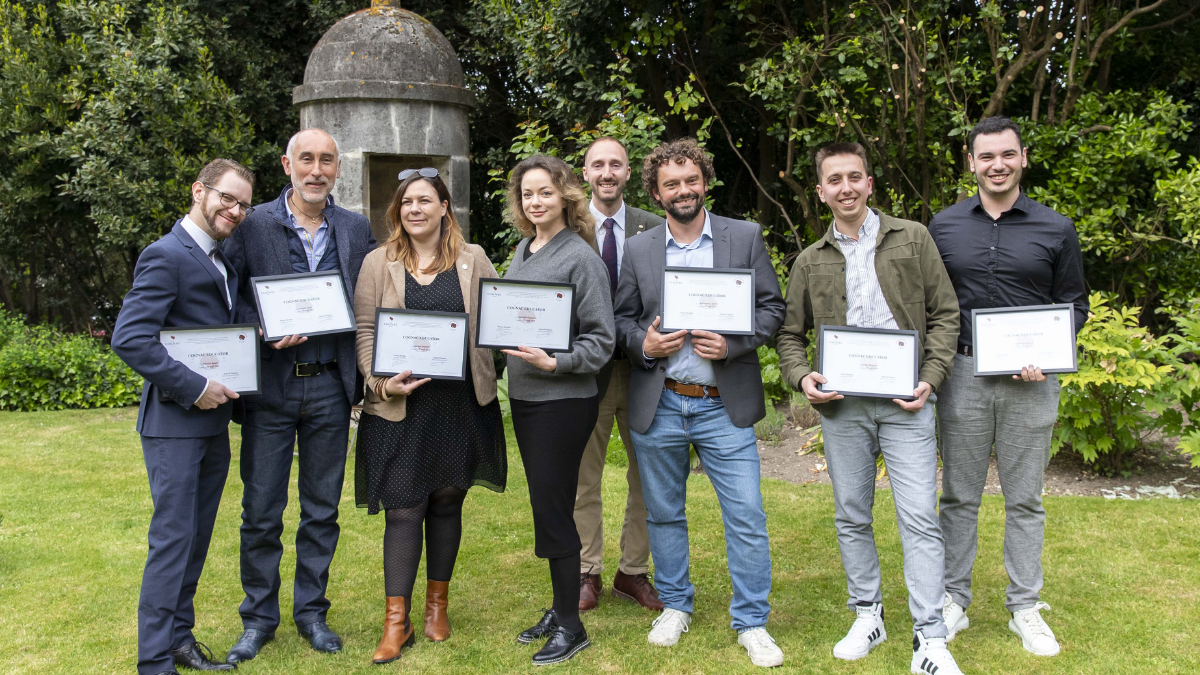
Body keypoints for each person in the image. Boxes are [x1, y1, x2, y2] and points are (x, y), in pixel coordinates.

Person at [775, 142, 964, 675]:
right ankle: (868, 614)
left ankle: (929, 637)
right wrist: (802, 376)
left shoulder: (914, 238)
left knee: (919, 516)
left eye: (854, 177)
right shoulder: (810, 260)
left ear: (870, 183)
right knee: (852, 513)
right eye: (834, 180)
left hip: (907, 402)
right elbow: (789, 335)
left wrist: (930, 378)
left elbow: (945, 314)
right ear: (820, 191)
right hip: (844, 408)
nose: (846, 188)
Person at [613, 138, 786, 668]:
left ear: (705, 181)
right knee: (664, 514)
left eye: (691, 180)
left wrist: (733, 344)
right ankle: (676, 605)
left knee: (747, 514)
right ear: (656, 192)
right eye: (671, 184)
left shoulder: (744, 236)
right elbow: (621, 319)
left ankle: (752, 620)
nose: (683, 190)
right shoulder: (639, 249)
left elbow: (771, 307)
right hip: (661, 400)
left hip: (722, 402)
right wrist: (645, 343)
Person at [929, 116, 1088, 657]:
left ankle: (1024, 606)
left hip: (1032, 382)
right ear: (971, 163)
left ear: (1022, 159)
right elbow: (930, 302)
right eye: (986, 156)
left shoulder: (1056, 228)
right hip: (962, 376)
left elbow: (1074, 305)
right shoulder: (943, 226)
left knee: (1025, 499)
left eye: (1007, 155)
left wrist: (1049, 354)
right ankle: (953, 598)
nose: (997, 165)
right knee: (959, 496)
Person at [220, 129, 376, 663]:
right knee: (261, 511)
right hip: (271, 389)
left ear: (338, 168)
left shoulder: (355, 228)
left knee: (322, 510)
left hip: (331, 388)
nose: (316, 169)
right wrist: (261, 327)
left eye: (326, 160)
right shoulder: (253, 223)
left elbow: (371, 295)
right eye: (306, 159)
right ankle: (258, 619)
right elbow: (227, 293)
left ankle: (311, 613)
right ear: (287, 165)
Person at [352, 168, 507, 663]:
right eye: (406, 202)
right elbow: (365, 331)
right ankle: (395, 622)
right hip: (401, 407)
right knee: (402, 507)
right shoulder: (378, 262)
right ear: (397, 211)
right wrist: (381, 383)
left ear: (444, 207)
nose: (414, 209)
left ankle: (437, 606)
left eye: (424, 200)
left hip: (459, 405)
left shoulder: (473, 258)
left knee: (446, 501)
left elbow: (499, 317)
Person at [112, 158, 256, 675]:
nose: (234, 210)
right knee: (172, 541)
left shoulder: (221, 259)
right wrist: (195, 387)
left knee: (194, 540)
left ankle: (178, 640)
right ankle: (154, 662)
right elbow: (130, 338)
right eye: (227, 198)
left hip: (212, 426)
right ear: (200, 191)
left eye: (243, 204)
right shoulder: (166, 254)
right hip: (174, 425)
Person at [503, 154, 615, 665]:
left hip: (563, 402)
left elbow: (601, 340)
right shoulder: (524, 249)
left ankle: (572, 627)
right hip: (527, 400)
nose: (535, 202)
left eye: (545, 192)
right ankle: (560, 606)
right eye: (527, 194)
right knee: (548, 504)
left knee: (554, 509)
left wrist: (556, 361)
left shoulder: (580, 258)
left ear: (565, 196)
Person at [574, 136, 664, 612]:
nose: (607, 173)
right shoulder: (568, 226)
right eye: (598, 165)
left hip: (643, 370)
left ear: (629, 172)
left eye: (616, 165)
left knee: (647, 474)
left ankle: (633, 571)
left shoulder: (655, 227)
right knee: (583, 475)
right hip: (585, 372)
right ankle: (586, 570)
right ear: (586, 173)